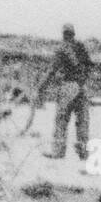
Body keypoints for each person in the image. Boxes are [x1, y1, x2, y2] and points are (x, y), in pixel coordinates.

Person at [38, 25, 92, 160]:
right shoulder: (81, 47)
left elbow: (52, 70)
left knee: (61, 120)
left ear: (63, 34)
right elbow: (90, 66)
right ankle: (84, 153)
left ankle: (58, 152)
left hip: (69, 86)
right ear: (74, 34)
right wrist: (83, 80)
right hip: (83, 87)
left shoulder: (61, 49)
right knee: (82, 122)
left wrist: (40, 87)